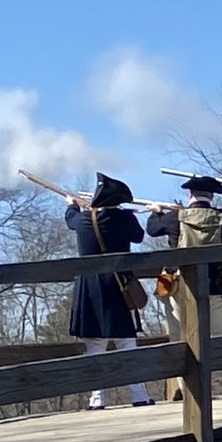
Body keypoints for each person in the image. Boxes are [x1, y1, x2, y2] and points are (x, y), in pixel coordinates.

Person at [63, 174, 152, 409]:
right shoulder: (124, 219)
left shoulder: (82, 219)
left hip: (89, 288)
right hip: (118, 283)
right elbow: (139, 236)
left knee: (94, 346)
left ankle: (97, 399)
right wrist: (128, 217)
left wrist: (72, 205)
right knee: (127, 342)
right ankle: (138, 395)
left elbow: (70, 219)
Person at [145, 175, 222, 402]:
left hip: (179, 284)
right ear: (211, 196)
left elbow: (153, 229)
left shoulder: (175, 217)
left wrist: (156, 212)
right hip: (213, 283)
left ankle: (182, 388)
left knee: (178, 335)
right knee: (218, 335)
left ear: (189, 195)